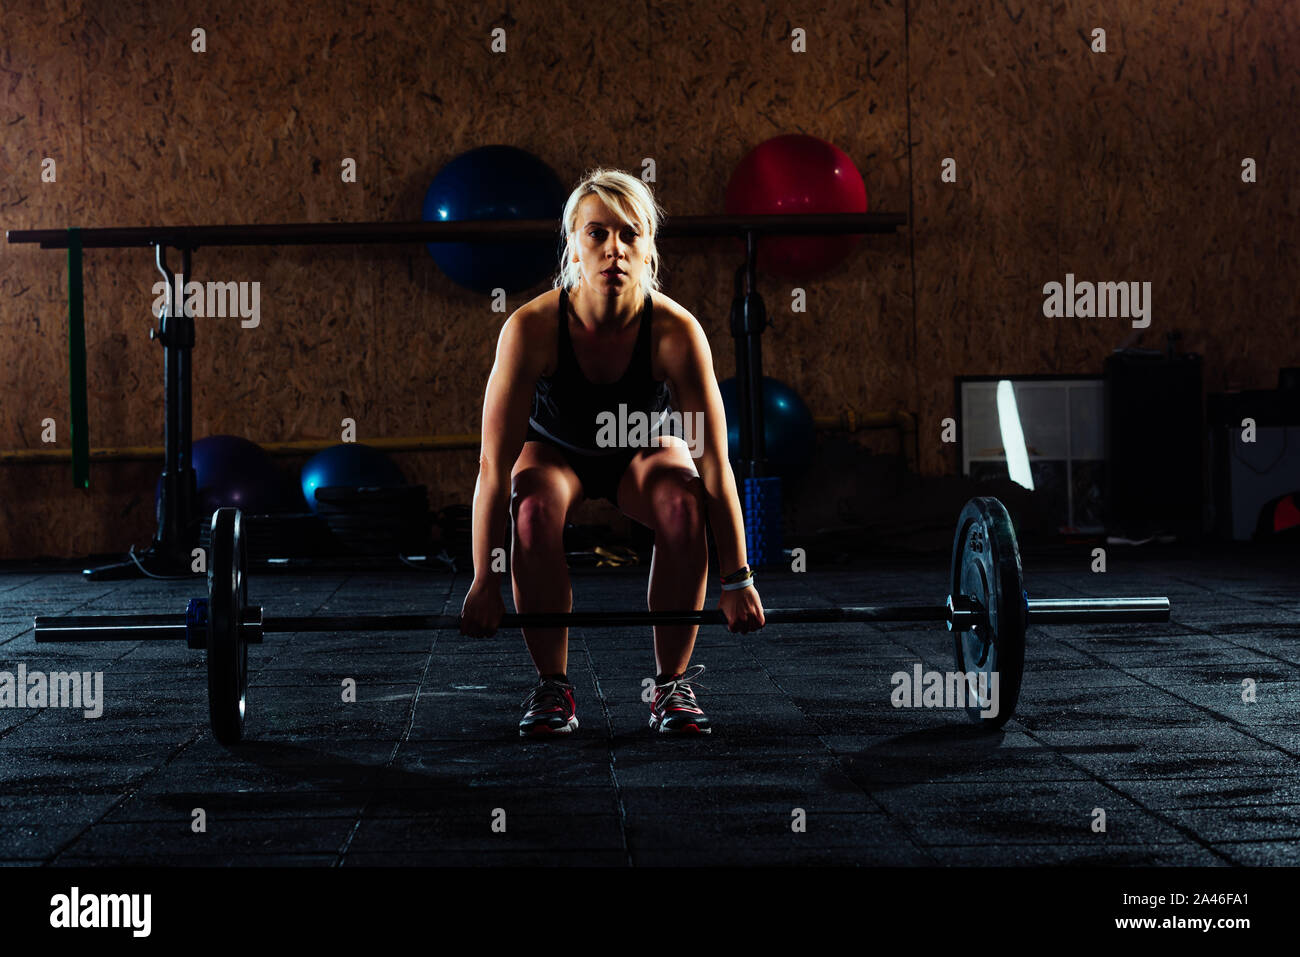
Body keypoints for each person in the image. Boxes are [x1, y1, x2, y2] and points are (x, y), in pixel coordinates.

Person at [459, 168, 764, 736]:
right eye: (596, 233)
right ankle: (553, 687)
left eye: (629, 234)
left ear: (649, 246)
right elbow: (492, 467)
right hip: (555, 454)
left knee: (682, 503)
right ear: (572, 244)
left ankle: (670, 686)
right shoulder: (530, 328)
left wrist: (738, 577)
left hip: (640, 450)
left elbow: (715, 464)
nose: (613, 250)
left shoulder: (676, 331)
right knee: (533, 507)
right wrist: (484, 580)